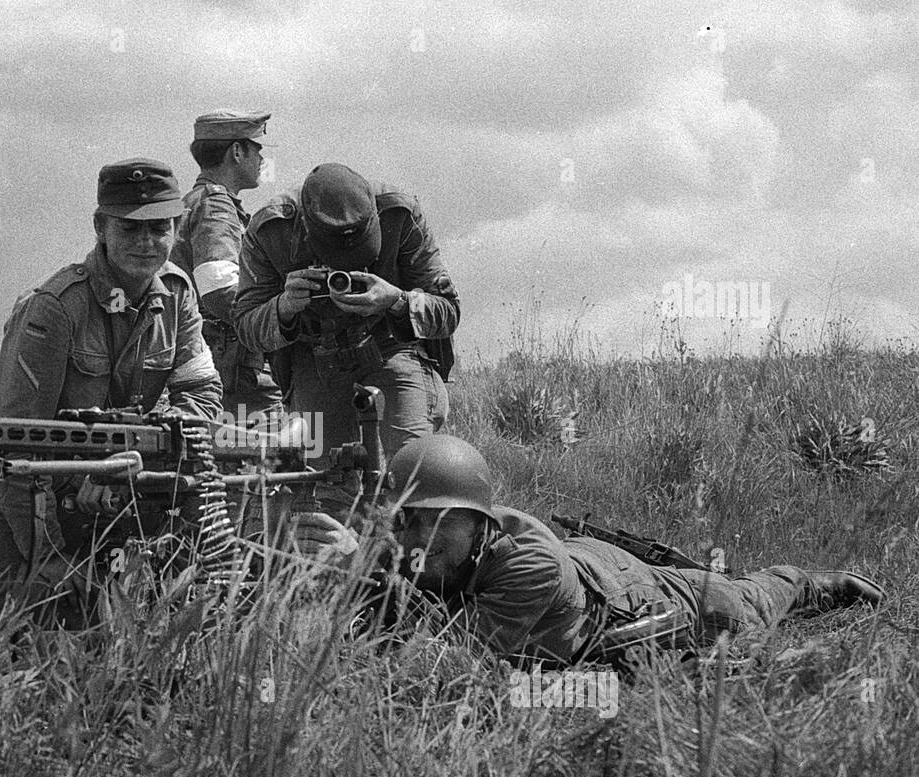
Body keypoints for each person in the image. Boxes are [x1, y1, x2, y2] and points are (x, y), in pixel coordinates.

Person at [293, 435, 885, 665]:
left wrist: (365, 574)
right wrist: (361, 566)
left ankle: (812, 581)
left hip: (652, 604)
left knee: (749, 602)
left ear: (478, 524)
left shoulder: (531, 566)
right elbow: (403, 597)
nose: (420, 541)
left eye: (438, 525)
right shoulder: (424, 547)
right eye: (408, 524)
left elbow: (452, 649)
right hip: (592, 564)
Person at [0, 158, 223, 627]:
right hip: (37, 505)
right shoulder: (53, 308)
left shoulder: (177, 293)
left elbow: (202, 394)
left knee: (136, 654)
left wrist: (141, 457)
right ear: (100, 227)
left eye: (159, 227)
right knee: (25, 651)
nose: (147, 243)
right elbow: (9, 443)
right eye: (130, 228)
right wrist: (47, 558)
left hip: (131, 498)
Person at [231, 162, 460, 516]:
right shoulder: (270, 230)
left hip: (391, 347)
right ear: (307, 230)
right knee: (328, 488)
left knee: (415, 472)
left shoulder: (398, 213)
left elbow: (447, 311)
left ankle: (418, 563)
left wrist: (396, 300)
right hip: (314, 360)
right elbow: (246, 326)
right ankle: (346, 565)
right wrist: (284, 307)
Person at [170, 109, 283, 427]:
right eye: (257, 148)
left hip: (220, 361)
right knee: (280, 456)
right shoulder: (216, 204)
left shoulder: (196, 200)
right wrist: (278, 321)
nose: (262, 158)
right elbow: (220, 289)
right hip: (235, 369)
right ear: (237, 151)